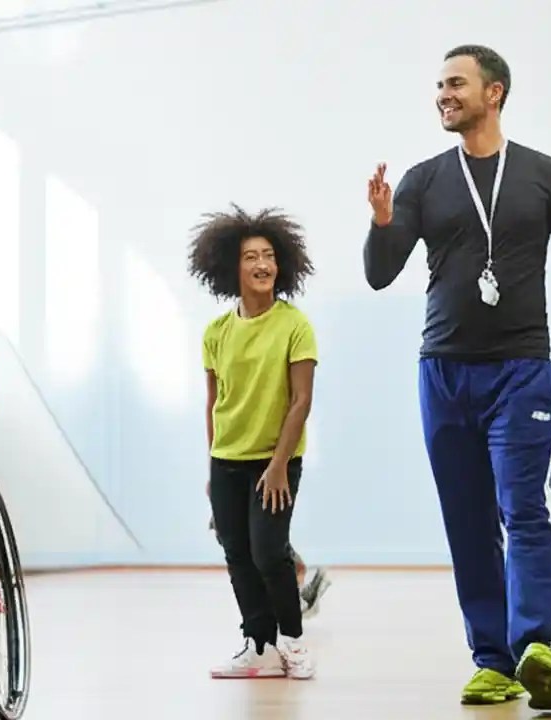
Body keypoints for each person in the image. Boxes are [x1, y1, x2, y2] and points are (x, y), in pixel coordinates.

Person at [361, 45, 551, 710]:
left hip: (521, 371)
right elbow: (380, 272)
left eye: (455, 83)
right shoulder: (422, 180)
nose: (442, 94)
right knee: (467, 521)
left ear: (495, 92)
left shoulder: (545, 177)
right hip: (442, 372)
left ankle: (538, 645)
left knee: (525, 509)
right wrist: (380, 223)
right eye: (437, 85)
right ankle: (490, 660)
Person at [190, 204, 318, 680]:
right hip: (227, 462)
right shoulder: (216, 332)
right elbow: (214, 405)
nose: (262, 264)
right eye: (251, 257)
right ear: (232, 266)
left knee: (269, 551)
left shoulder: (295, 325)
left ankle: (294, 640)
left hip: (275, 460)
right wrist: (211, 472)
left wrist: (280, 463)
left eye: (268, 256)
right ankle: (258, 644)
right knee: (237, 554)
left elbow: (301, 400)